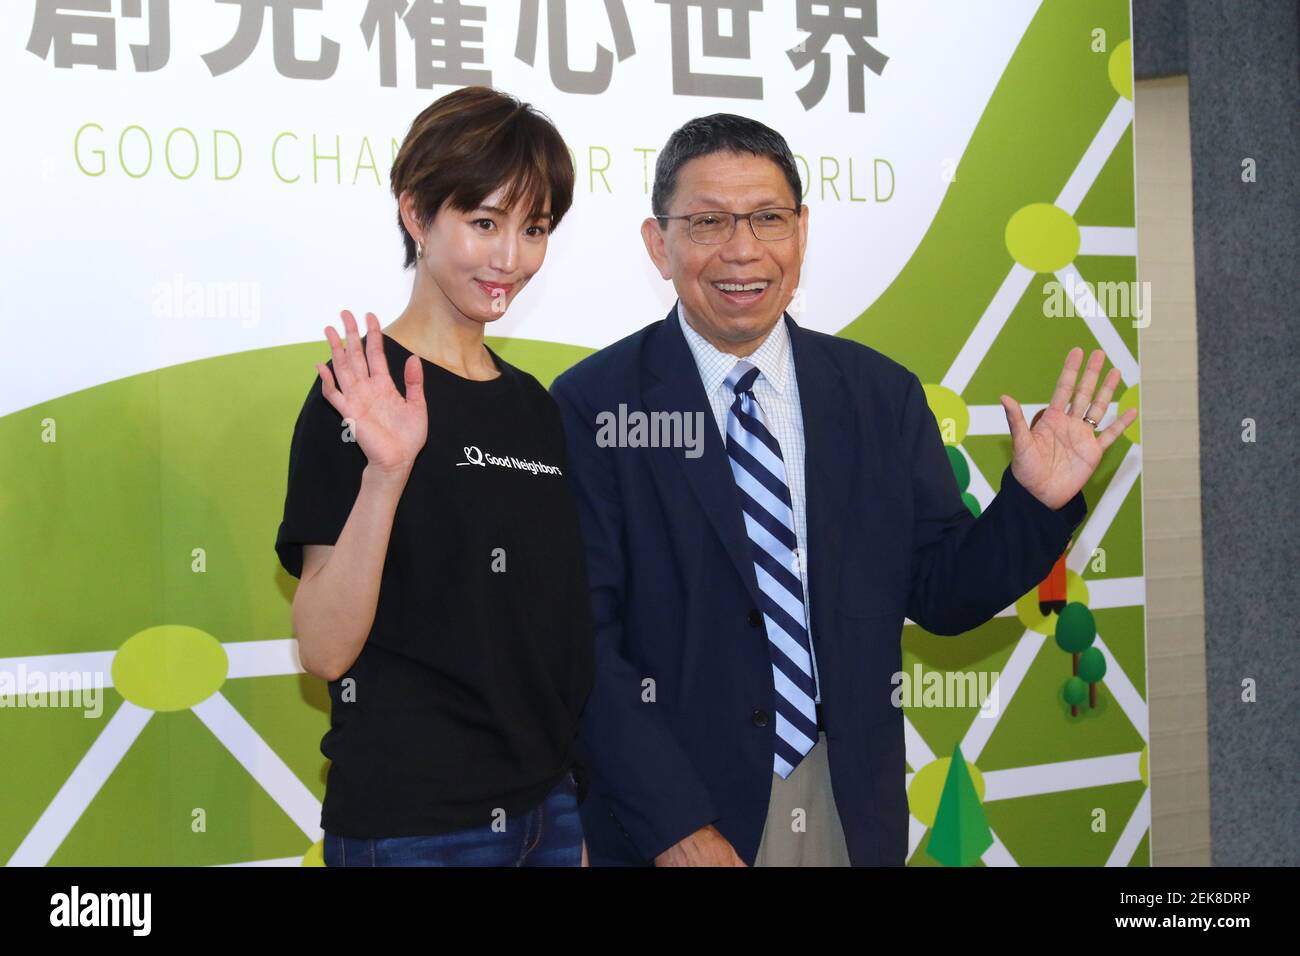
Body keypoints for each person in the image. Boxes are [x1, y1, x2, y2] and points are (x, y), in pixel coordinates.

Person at [550, 113, 1138, 866]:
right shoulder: (594, 405)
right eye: (706, 222)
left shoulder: (878, 395)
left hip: (845, 794)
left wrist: (1034, 502)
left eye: (768, 218)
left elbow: (943, 592)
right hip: (677, 812)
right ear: (657, 244)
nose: (742, 249)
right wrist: (673, 823)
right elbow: (582, 647)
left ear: (801, 233)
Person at [274, 86, 593, 867]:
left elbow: (550, 637)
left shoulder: (534, 408)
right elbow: (323, 650)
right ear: (416, 215)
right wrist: (387, 474)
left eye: (534, 228)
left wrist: (568, 814)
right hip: (414, 826)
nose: (510, 257)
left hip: (546, 814)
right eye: (483, 222)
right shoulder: (356, 394)